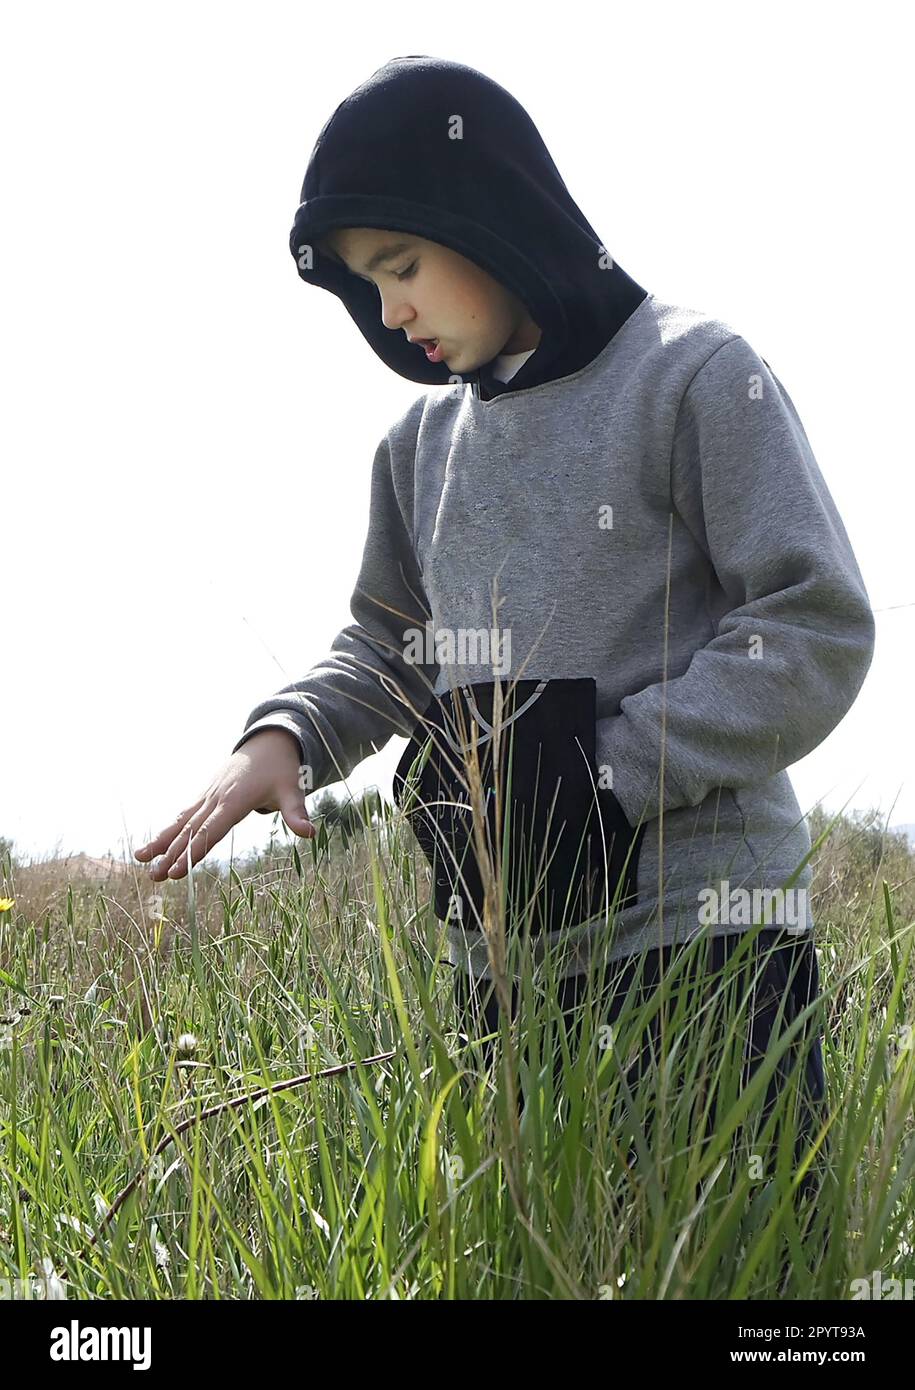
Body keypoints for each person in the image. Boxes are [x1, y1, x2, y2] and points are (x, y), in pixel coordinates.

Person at [134, 57, 874, 1206]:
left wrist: (609, 777)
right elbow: (390, 650)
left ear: (482, 211)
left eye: (402, 266)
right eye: (365, 290)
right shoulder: (418, 450)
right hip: (512, 966)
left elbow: (814, 627)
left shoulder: (695, 377)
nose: (390, 313)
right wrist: (282, 738)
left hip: (710, 942)